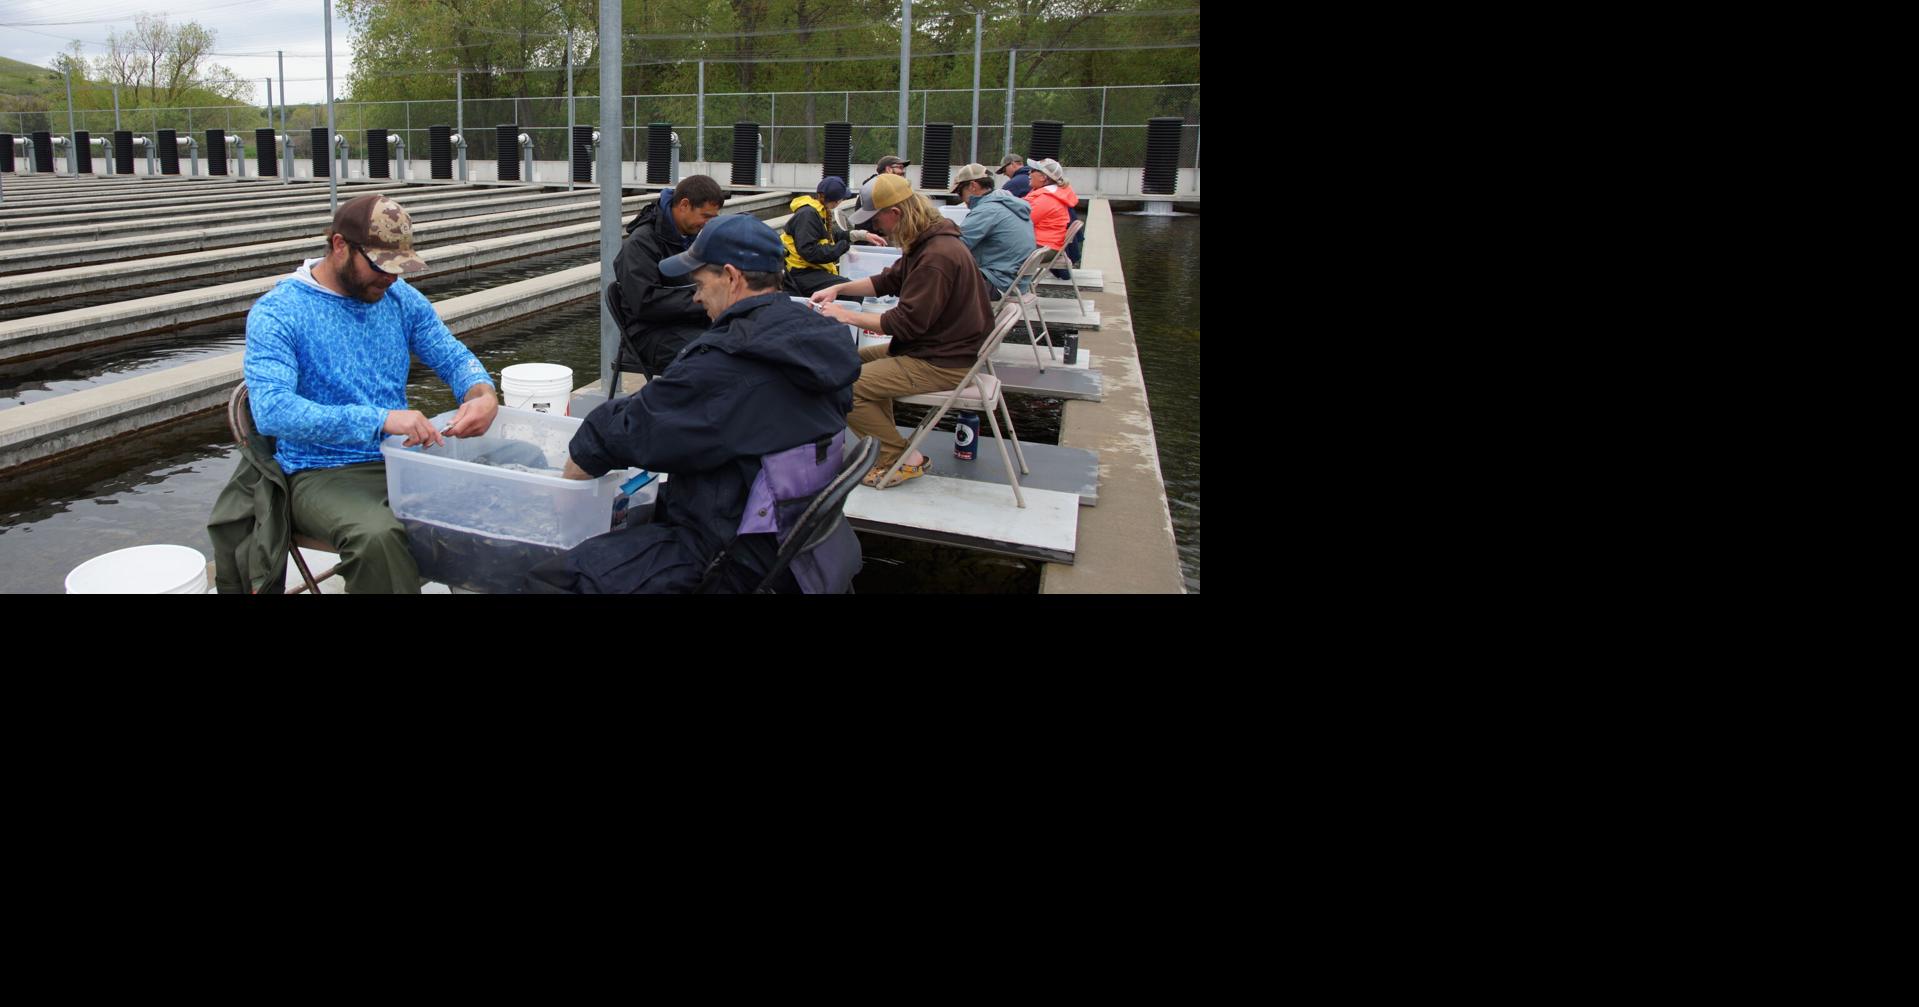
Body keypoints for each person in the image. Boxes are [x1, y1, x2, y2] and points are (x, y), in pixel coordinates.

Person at [525, 214, 863, 594]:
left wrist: (562, 507)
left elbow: (621, 432)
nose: (696, 296)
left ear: (732, 277)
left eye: (700, 283)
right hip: (791, 541)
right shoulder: (819, 340)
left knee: (551, 578)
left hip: (728, 555)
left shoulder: (730, 364)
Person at [235, 194, 499, 593]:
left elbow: (449, 354)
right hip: (319, 470)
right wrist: (380, 419)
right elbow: (273, 411)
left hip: (399, 455)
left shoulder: (398, 296)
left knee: (512, 470)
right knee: (377, 536)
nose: (391, 278)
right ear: (340, 246)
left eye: (398, 267)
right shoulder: (279, 312)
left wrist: (480, 392)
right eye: (380, 267)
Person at [808, 174, 994, 489]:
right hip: (934, 348)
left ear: (894, 213)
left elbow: (905, 323)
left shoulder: (936, 256)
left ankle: (898, 457)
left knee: (845, 387)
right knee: (850, 362)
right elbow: (887, 281)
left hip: (943, 360)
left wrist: (846, 318)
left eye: (876, 218)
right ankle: (882, 443)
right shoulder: (928, 241)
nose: (876, 227)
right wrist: (839, 290)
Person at [609, 174, 727, 380]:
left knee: (742, 342)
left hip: (690, 322)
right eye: (705, 216)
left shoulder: (691, 237)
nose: (707, 224)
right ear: (684, 205)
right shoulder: (640, 244)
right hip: (650, 332)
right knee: (712, 356)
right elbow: (645, 303)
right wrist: (706, 299)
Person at [780, 175, 885, 297]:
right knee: (853, 293)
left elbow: (830, 236)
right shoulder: (807, 215)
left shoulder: (818, 210)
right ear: (836, 201)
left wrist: (862, 235)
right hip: (801, 273)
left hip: (810, 269)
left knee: (851, 288)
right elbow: (810, 252)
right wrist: (844, 247)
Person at [950, 162, 1035, 296]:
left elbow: (956, 247)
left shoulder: (987, 210)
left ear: (973, 186)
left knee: (935, 279)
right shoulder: (1006, 203)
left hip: (998, 283)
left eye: (960, 192)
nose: (960, 199)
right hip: (1016, 282)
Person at [1024, 157, 1082, 279]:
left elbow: (1020, 221)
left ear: (1043, 177)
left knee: (993, 249)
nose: (1029, 173)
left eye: (1032, 170)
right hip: (1046, 245)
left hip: (1042, 248)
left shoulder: (1046, 199)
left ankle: (1006, 289)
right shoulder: (1049, 194)